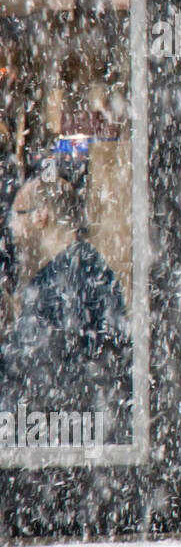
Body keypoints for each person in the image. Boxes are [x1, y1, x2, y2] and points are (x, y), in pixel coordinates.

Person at [0, 176, 131, 442]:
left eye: (16, 215)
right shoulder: (92, 268)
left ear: (41, 217)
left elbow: (30, 376)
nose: (11, 228)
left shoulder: (57, 284)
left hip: (64, 433)